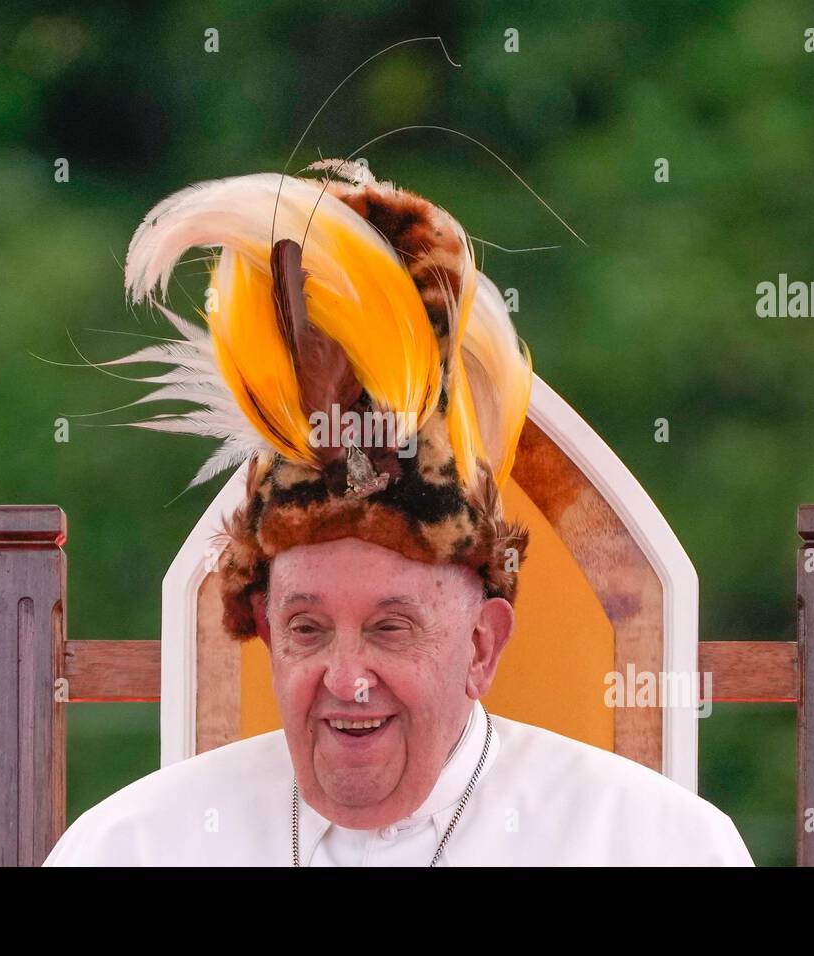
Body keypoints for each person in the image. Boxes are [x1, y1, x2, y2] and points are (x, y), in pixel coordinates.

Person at [44, 161, 754, 866]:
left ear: (482, 646)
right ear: (263, 632)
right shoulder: (129, 847)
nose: (347, 679)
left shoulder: (657, 845)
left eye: (391, 628)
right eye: (308, 629)